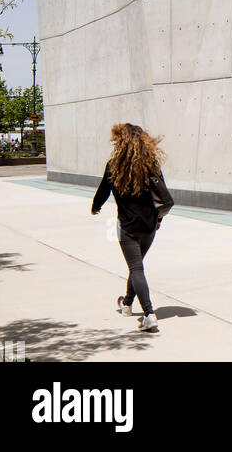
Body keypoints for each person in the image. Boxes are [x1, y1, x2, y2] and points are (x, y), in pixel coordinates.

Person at [91, 122, 174, 332]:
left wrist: (95, 206)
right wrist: (159, 220)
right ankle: (127, 304)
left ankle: (148, 314)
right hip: (149, 226)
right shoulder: (151, 165)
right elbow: (161, 195)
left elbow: (103, 190)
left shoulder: (114, 165)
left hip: (127, 226)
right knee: (136, 267)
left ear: (120, 141)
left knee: (136, 268)